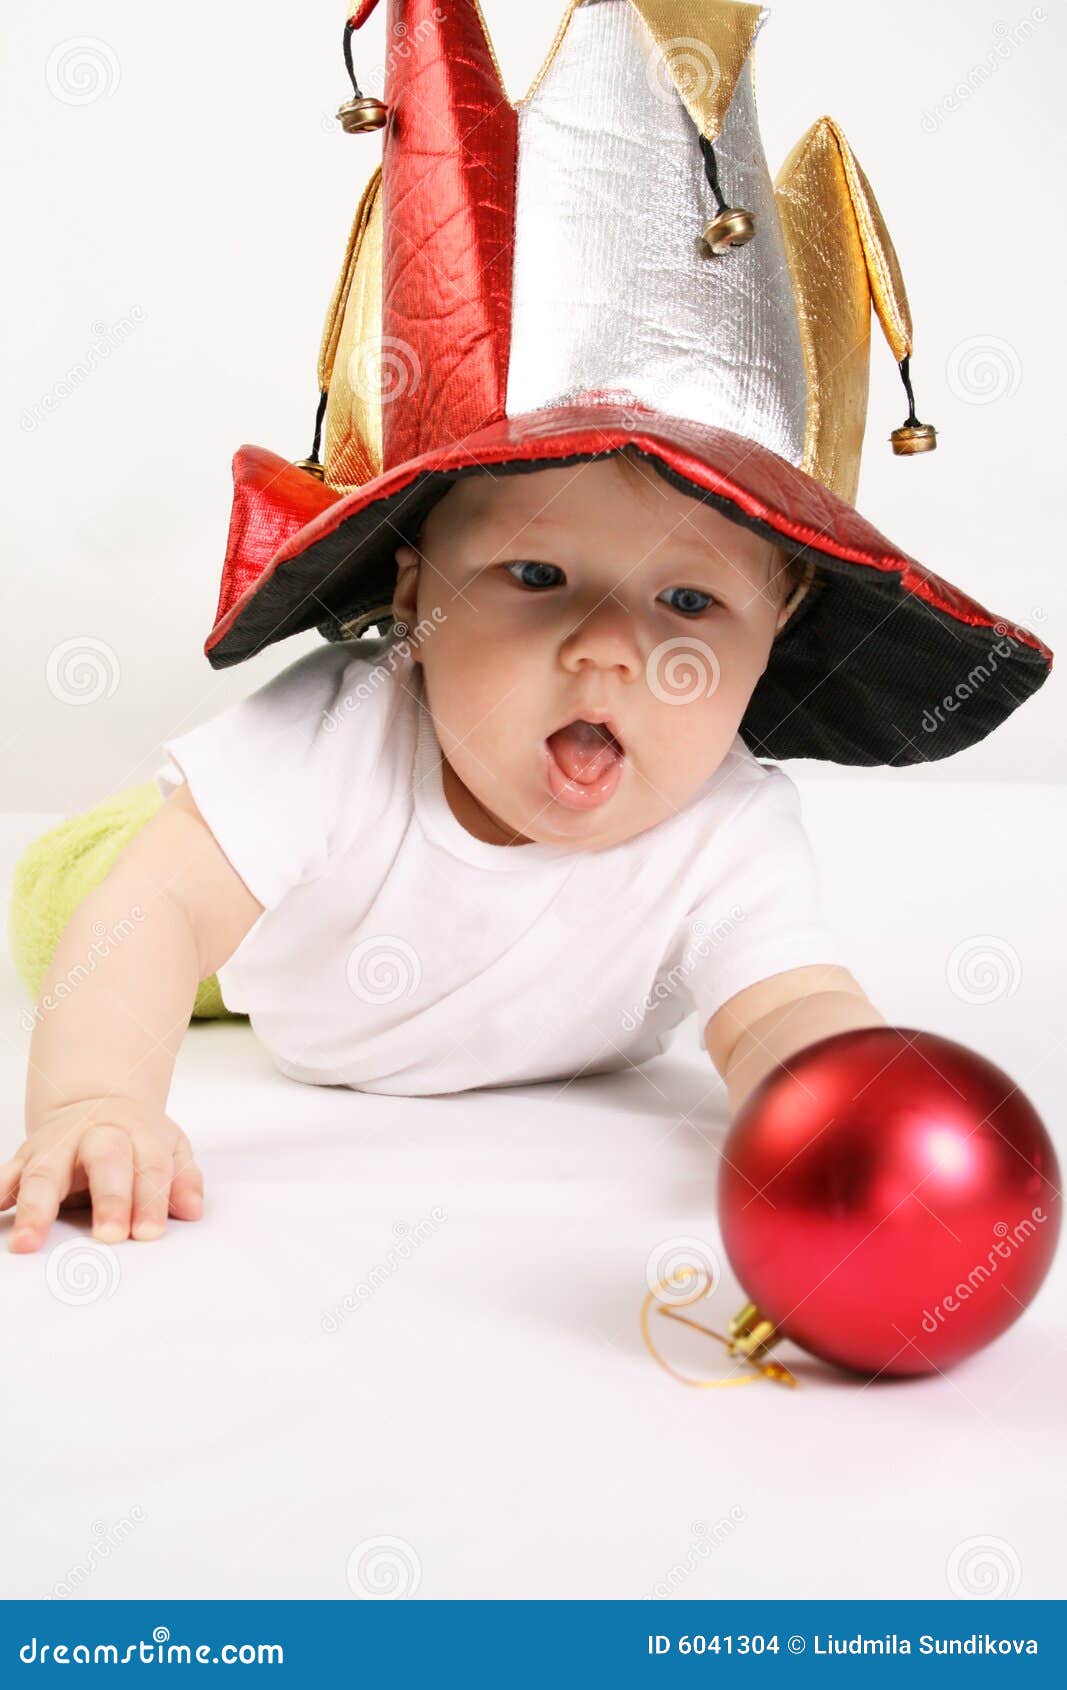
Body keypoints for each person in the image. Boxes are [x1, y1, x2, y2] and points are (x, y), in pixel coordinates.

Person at [4, 0, 1050, 1251]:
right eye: (538, 575)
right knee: (89, 898)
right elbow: (159, 915)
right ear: (410, 598)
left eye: (686, 600)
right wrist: (98, 1099)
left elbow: (784, 1011)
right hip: (280, 948)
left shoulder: (728, 831)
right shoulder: (343, 740)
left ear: (779, 630)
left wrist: (851, 1124)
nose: (608, 647)